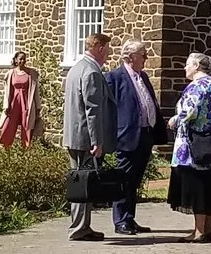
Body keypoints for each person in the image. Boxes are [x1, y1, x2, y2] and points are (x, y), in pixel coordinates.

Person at [170, 52, 211, 241]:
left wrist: (174, 120)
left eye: (188, 64)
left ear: (196, 65)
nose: (185, 67)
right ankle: (208, 230)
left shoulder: (196, 86)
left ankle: (199, 231)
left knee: (198, 187)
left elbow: (190, 111)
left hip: (194, 145)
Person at [62, 30, 115, 241]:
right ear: (100, 48)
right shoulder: (91, 72)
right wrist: (96, 141)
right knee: (84, 184)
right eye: (107, 49)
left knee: (80, 183)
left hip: (74, 135)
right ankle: (79, 228)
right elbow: (92, 110)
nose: (109, 54)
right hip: (85, 138)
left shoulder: (76, 69)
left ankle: (81, 226)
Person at [107, 40, 162, 235]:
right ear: (131, 57)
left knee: (135, 180)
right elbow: (109, 109)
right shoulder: (115, 77)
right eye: (143, 55)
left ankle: (129, 218)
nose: (146, 58)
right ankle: (121, 220)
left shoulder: (143, 76)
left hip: (145, 135)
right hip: (126, 137)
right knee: (124, 179)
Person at [0, 50, 43, 148]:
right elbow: (7, 92)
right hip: (14, 103)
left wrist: (38, 107)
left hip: (26, 104)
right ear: (16, 60)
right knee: (9, 125)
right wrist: (6, 106)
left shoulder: (31, 74)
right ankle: (6, 148)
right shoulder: (11, 73)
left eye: (24, 59)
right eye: (20, 59)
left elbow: (35, 92)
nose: (23, 61)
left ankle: (25, 149)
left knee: (26, 125)